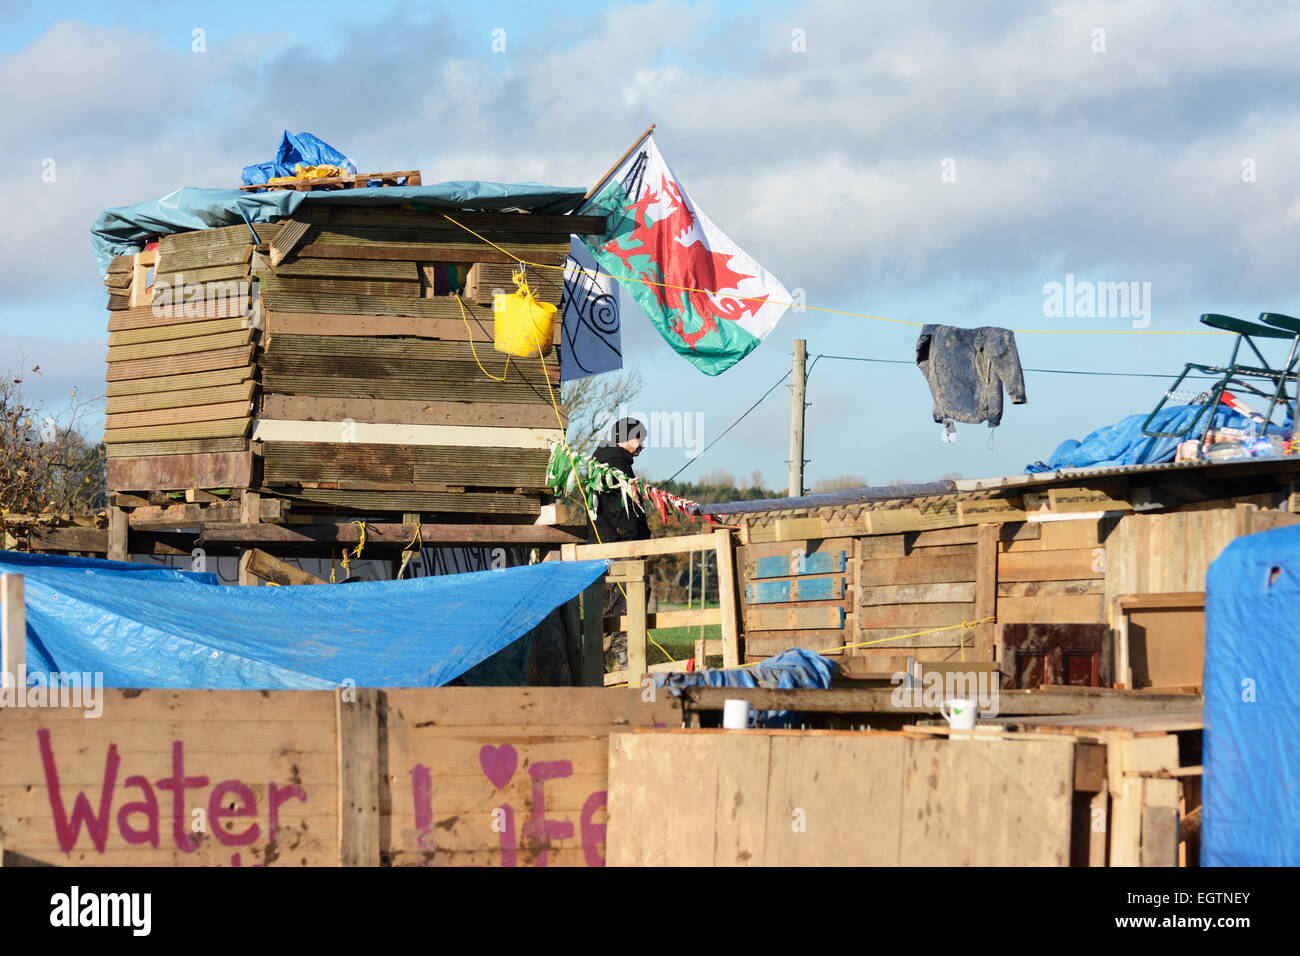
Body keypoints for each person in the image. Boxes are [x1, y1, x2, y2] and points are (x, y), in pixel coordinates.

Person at [588, 417, 650, 668]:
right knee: (628, 599)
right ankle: (625, 662)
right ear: (625, 439)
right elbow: (622, 510)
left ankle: (595, 666)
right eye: (639, 439)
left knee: (603, 606)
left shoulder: (599, 462)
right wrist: (636, 540)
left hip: (599, 544)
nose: (641, 445)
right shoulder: (617, 466)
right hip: (620, 547)